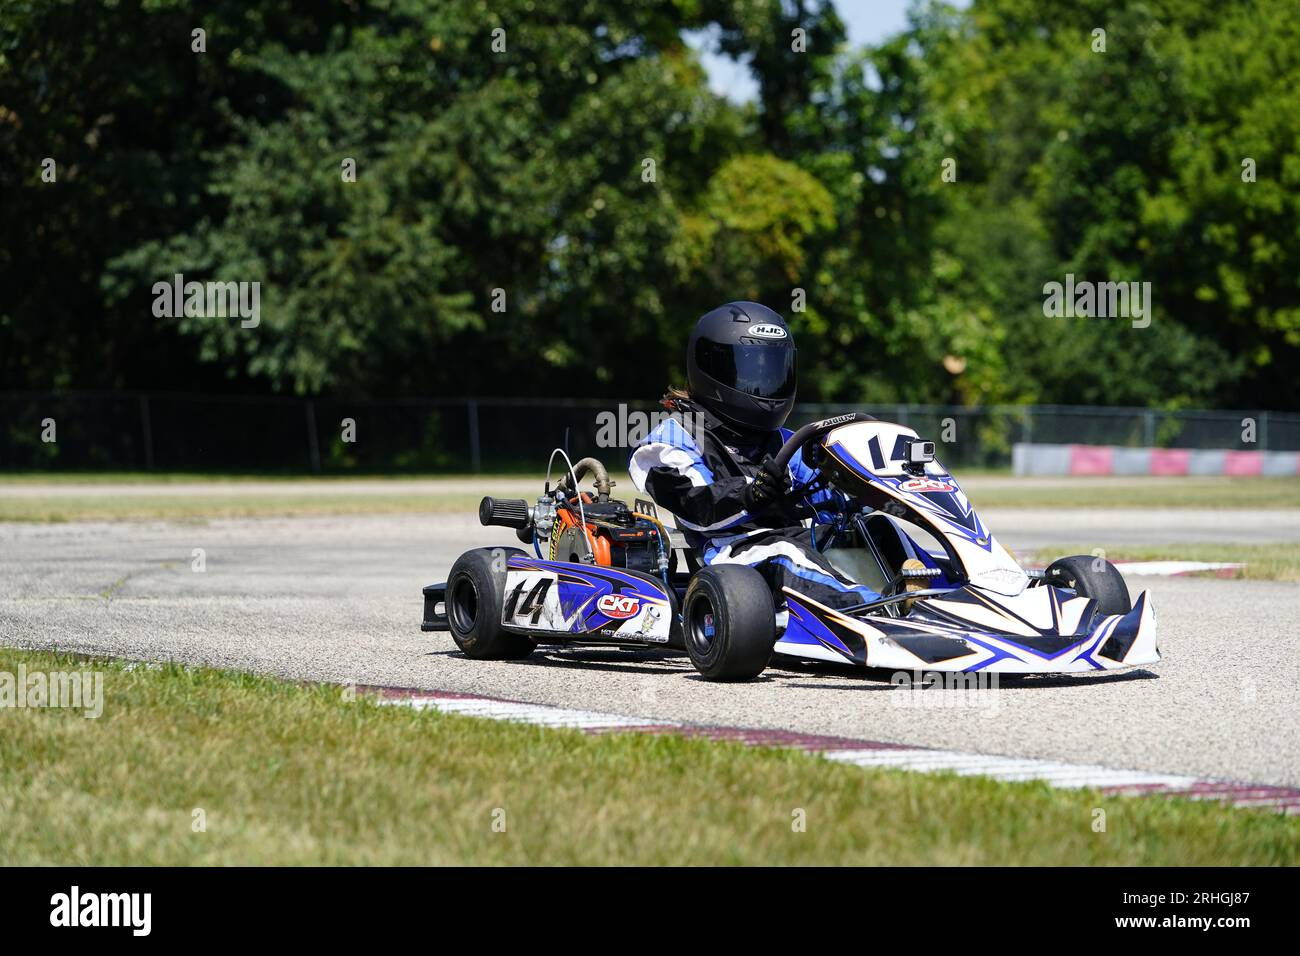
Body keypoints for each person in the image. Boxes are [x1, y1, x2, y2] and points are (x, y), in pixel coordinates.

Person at [629, 301, 893, 611]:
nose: (764, 382)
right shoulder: (673, 438)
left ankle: (939, 598)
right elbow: (696, 506)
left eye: (771, 369)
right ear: (714, 369)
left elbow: (821, 497)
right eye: (752, 370)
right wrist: (748, 494)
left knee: (876, 530)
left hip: (795, 540)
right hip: (733, 555)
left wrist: (856, 493)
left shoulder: (784, 440)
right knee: (786, 552)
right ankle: (875, 610)